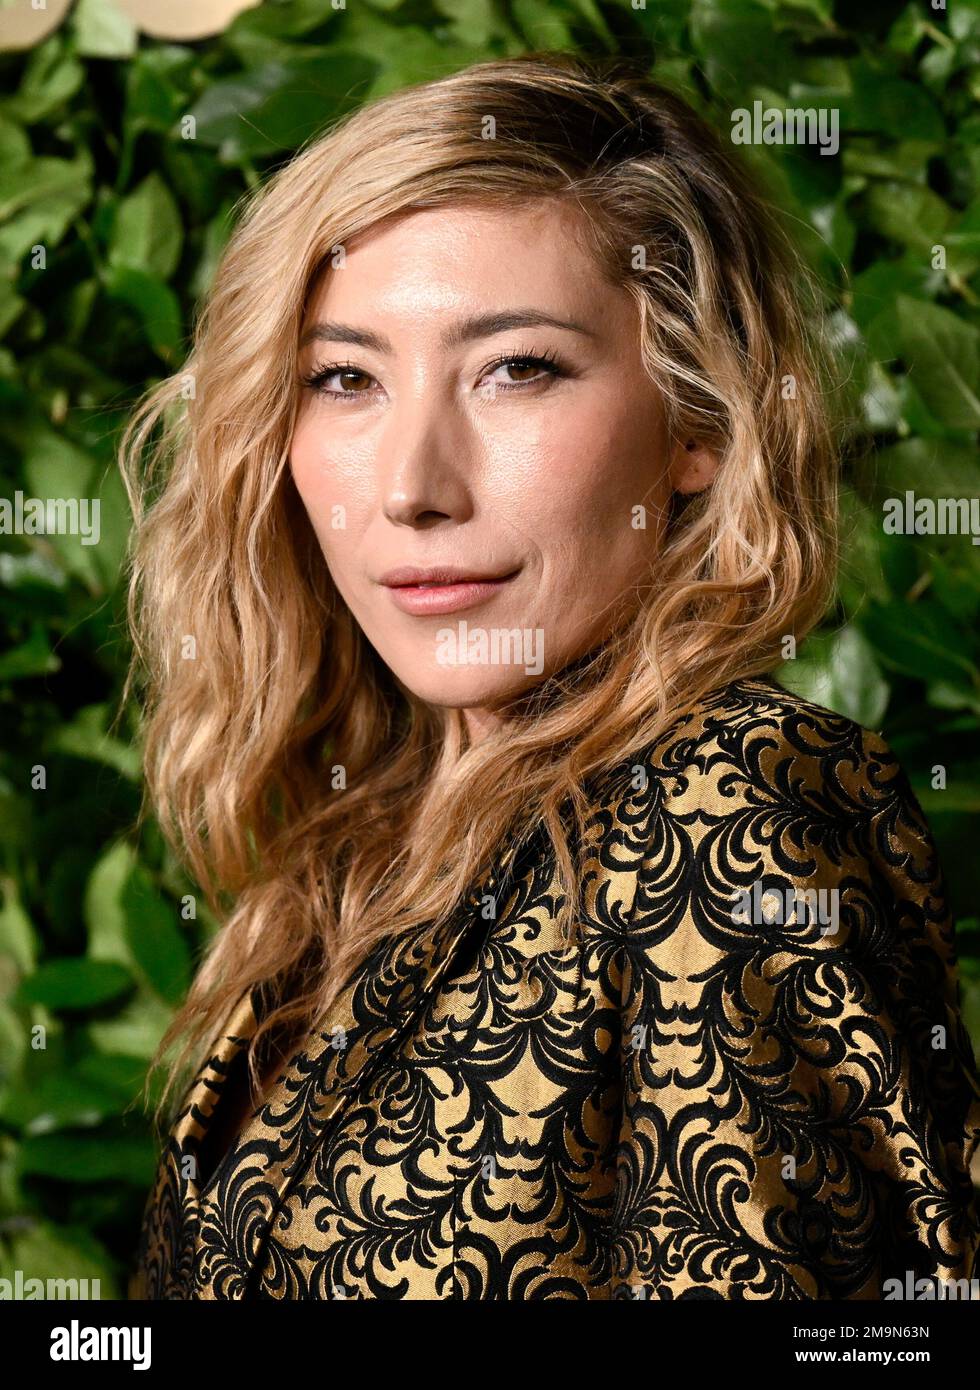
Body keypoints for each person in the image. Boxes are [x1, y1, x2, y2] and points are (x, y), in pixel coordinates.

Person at [122, 52, 980, 1301]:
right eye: (344, 377)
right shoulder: (359, 848)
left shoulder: (727, 804)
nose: (412, 487)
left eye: (515, 368)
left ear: (699, 420)